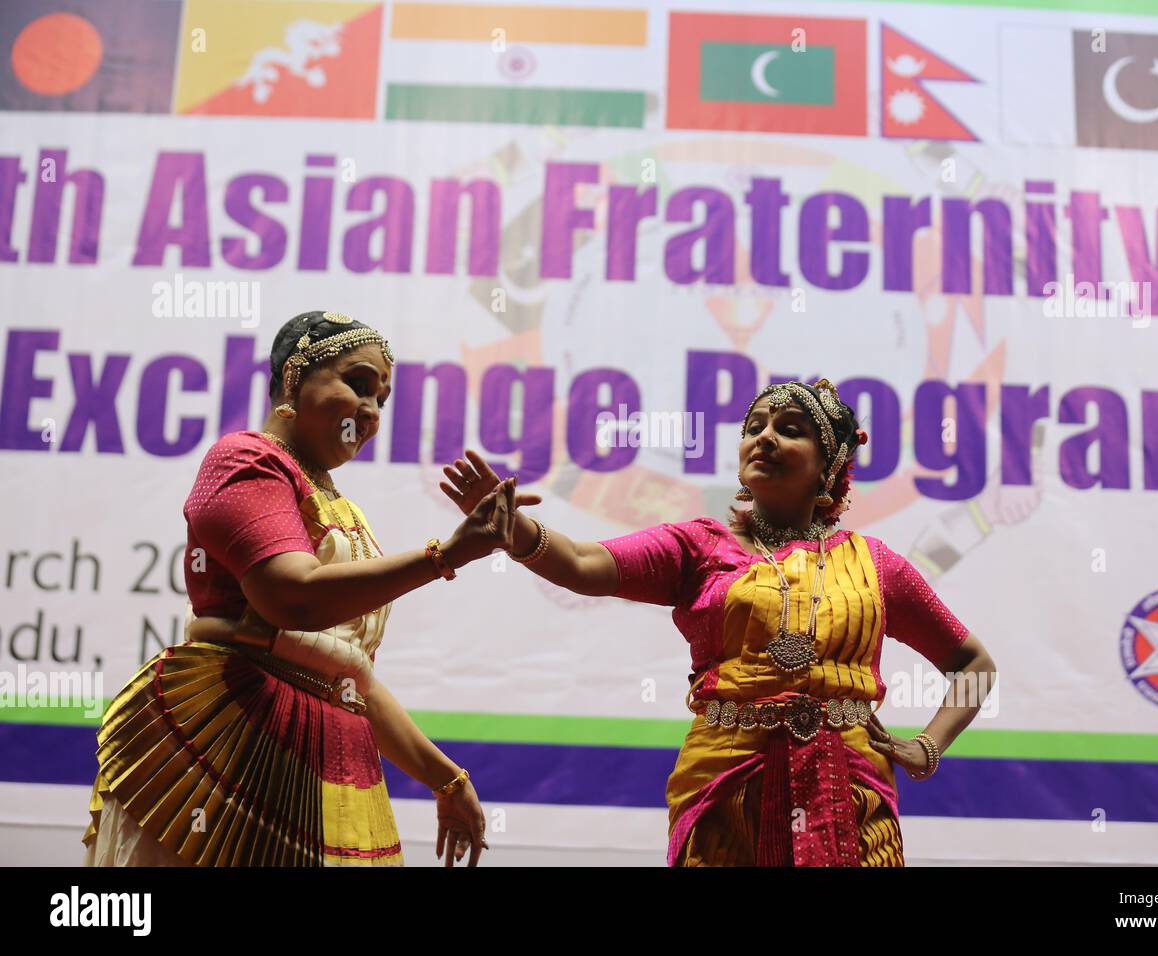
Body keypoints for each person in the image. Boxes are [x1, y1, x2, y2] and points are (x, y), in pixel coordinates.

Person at [441, 378, 997, 866]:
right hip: (725, 790)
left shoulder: (877, 566)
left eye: (791, 428)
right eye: (755, 426)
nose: (765, 437)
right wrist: (515, 532)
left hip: (849, 797)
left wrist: (927, 748)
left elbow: (973, 664)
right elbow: (585, 564)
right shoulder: (698, 547)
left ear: (828, 468)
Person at [83, 310, 519, 867]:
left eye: (381, 400)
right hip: (228, 740)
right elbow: (291, 596)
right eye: (358, 385)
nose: (371, 412)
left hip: (328, 763)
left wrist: (449, 780)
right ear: (293, 378)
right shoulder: (245, 459)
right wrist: (447, 556)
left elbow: (349, 675)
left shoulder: (345, 511)